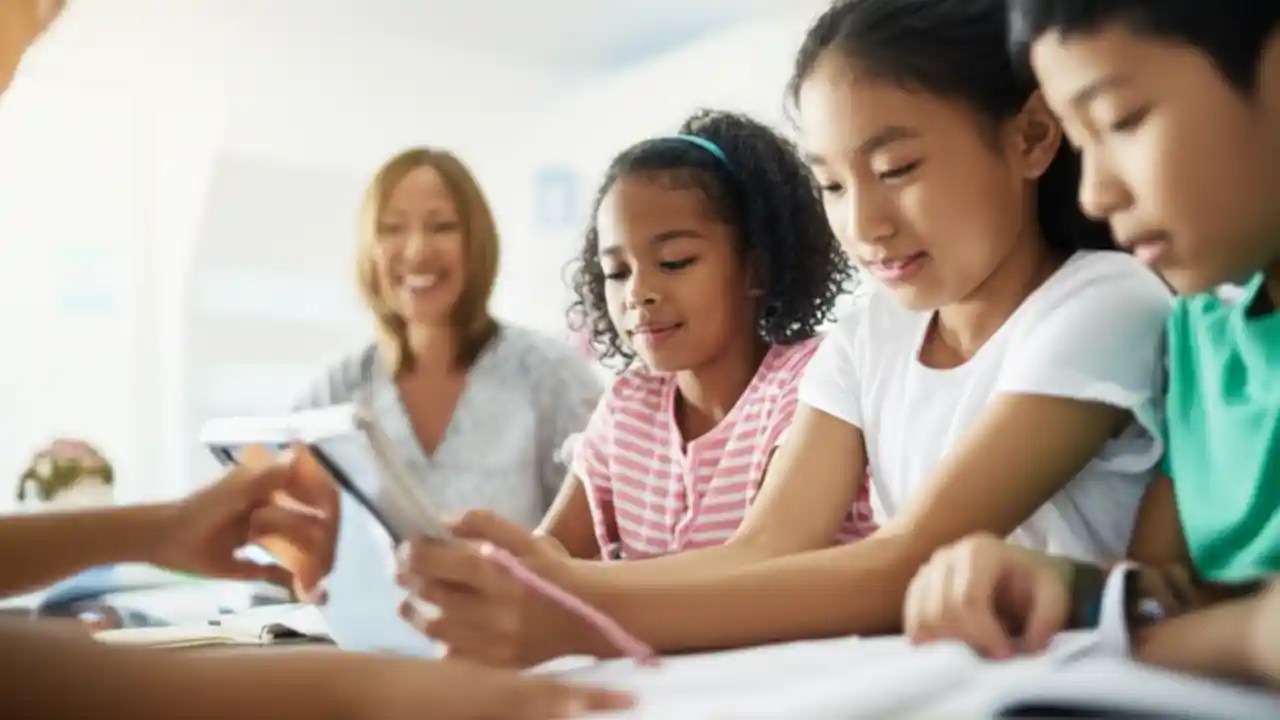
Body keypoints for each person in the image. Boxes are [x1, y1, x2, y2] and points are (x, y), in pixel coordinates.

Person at [387, 0, 1172, 668]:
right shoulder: (868, 337)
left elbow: (905, 561)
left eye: (897, 169)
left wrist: (574, 605)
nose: (864, 224)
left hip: (1071, 685)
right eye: (831, 183)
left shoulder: (1102, 305)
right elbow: (764, 549)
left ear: (1030, 137)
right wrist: (551, 581)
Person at [0, 3, 629, 717]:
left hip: (514, 658)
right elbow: (282, 547)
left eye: (441, 226)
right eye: (392, 228)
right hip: (362, 659)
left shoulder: (548, 377)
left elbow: (604, 548)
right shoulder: (337, 389)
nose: (416, 250)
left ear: (477, 241)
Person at [903, 0, 1280, 689]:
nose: (1095, 195)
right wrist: (1067, 588)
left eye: (1122, 121)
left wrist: (1236, 635)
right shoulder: (1204, 328)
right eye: (1082, 143)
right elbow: (1181, 592)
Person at [529, 109, 869, 566]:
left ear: (755, 269)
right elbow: (548, 551)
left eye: (675, 261)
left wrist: (566, 580)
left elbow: (755, 574)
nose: (638, 293)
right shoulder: (628, 406)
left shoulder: (809, 384)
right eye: (617, 271)